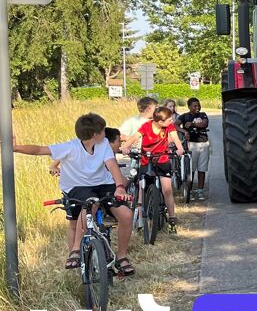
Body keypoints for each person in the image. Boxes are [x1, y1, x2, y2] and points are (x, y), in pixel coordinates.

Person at [13, 114, 135, 276]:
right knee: (92, 203)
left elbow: (112, 166)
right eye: (103, 130)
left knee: (126, 215)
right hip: (77, 186)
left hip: (103, 184)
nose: (105, 133)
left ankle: (121, 257)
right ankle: (76, 249)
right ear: (95, 135)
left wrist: (119, 187)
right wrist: (16, 148)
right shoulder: (70, 147)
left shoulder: (104, 143)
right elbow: (40, 150)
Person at [122, 106, 187, 229]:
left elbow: (175, 138)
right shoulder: (146, 126)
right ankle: (141, 218)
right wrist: (125, 147)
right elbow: (134, 137)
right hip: (147, 160)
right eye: (169, 120)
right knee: (142, 189)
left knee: (167, 189)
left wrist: (180, 149)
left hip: (162, 159)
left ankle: (172, 216)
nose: (172, 121)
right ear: (160, 121)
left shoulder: (169, 127)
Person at [177, 98, 210, 200]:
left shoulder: (202, 114)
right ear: (189, 107)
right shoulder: (185, 116)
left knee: (202, 169)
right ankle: (189, 191)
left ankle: (200, 191)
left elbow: (204, 124)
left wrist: (193, 124)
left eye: (198, 105)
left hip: (203, 144)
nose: (197, 108)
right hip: (192, 144)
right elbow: (174, 125)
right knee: (191, 169)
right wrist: (184, 131)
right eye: (194, 106)